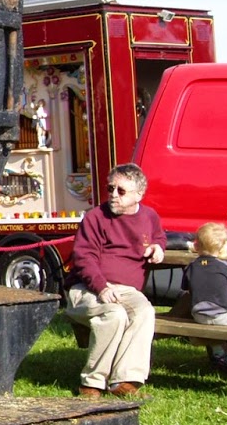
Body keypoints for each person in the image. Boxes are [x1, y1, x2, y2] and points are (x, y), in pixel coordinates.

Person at [65, 163, 166, 398]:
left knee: (144, 311)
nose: (113, 195)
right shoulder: (96, 217)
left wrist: (158, 247)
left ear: (139, 194)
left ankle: (125, 380)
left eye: (121, 191)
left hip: (127, 290)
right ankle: (92, 383)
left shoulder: (149, 216)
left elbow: (159, 235)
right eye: (111, 188)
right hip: (86, 288)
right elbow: (84, 258)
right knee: (114, 314)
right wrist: (101, 286)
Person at [183, 222, 227, 373]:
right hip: (222, 314)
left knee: (214, 324)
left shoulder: (191, 266)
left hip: (199, 314)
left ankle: (218, 353)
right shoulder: (224, 266)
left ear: (196, 246)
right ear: (223, 248)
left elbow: (185, 287)